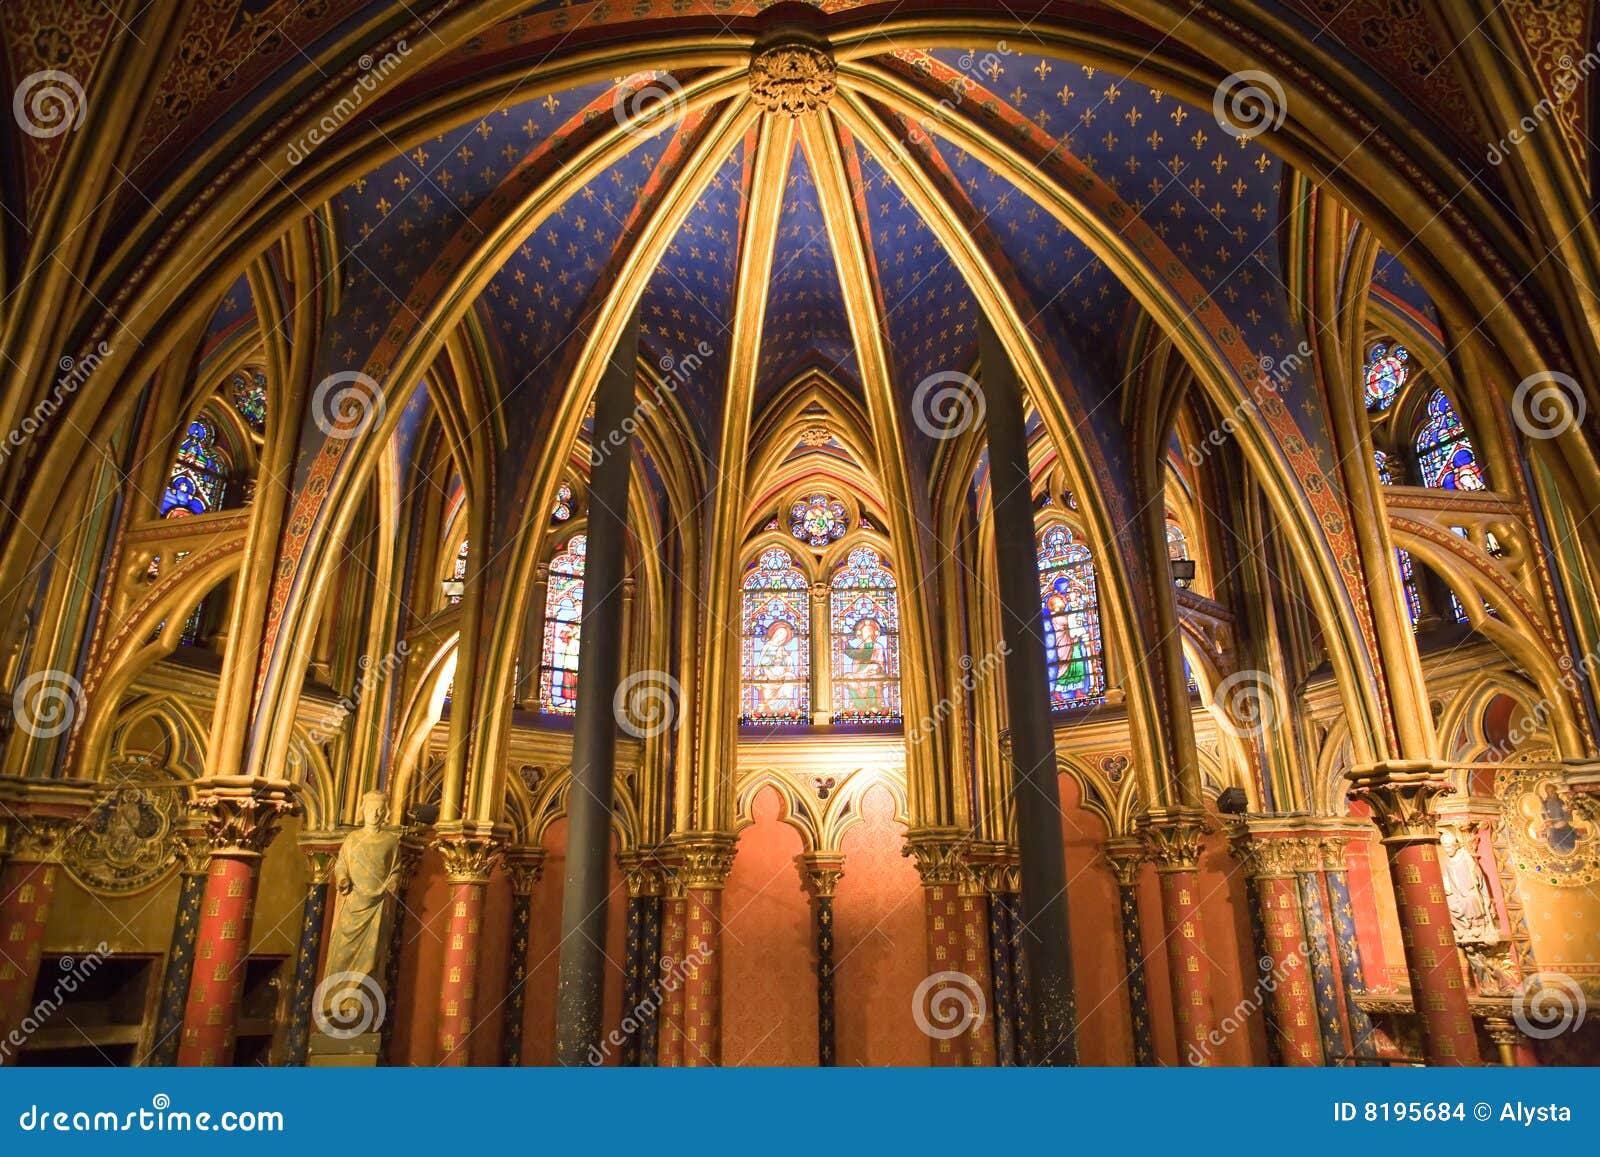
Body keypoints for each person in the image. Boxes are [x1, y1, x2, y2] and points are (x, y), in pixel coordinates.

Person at [321, 791, 401, 1029]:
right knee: (341, 953)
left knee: (372, 957)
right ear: (363, 811)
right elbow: (341, 865)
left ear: (385, 813)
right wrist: (343, 878)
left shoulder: (390, 841)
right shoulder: (353, 839)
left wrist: (391, 884)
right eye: (370, 808)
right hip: (353, 905)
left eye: (379, 809)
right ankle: (335, 1004)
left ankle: (360, 1006)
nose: (374, 814)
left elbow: (395, 870)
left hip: (376, 906)